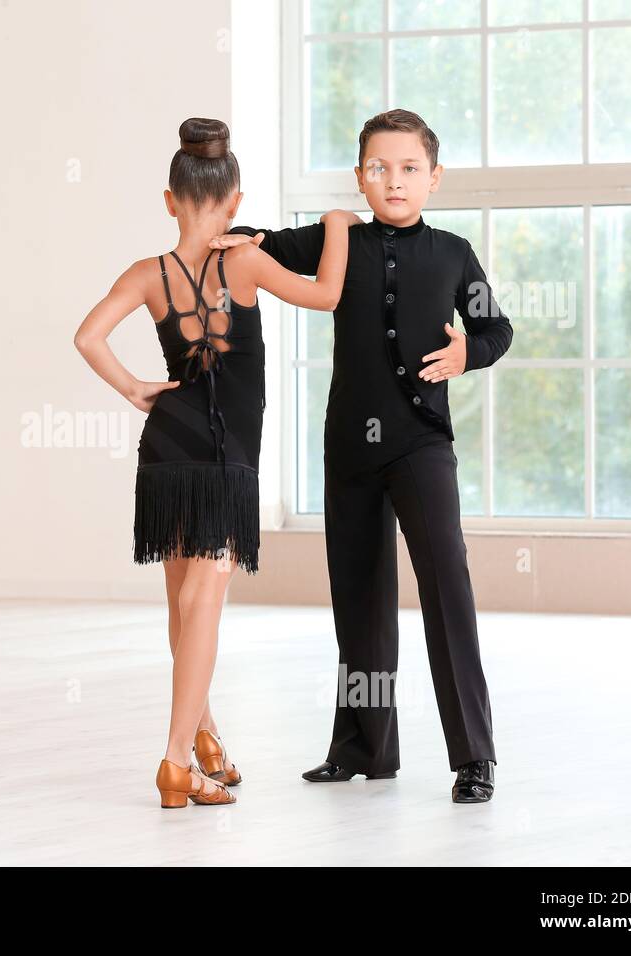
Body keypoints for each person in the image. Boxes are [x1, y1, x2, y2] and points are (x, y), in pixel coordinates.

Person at [213, 108, 513, 803]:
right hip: (349, 444)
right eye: (379, 167)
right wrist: (239, 235)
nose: (394, 180)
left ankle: (474, 755)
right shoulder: (332, 236)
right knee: (359, 598)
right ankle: (362, 748)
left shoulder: (453, 253)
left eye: (409, 168)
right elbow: (269, 245)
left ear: (433, 178)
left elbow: (495, 327)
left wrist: (470, 352)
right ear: (360, 176)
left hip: (421, 445)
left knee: (447, 587)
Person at [74, 117, 356, 808]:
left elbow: (87, 336)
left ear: (170, 200)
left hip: (168, 443)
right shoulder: (245, 261)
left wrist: (136, 387)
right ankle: (175, 759)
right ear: (234, 203)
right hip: (226, 448)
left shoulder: (147, 274)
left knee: (182, 602)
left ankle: (204, 739)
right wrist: (339, 223)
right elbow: (327, 293)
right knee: (205, 601)